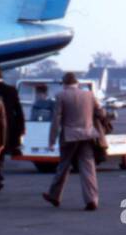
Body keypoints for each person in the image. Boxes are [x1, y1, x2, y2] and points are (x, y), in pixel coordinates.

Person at [43, 72, 103, 210]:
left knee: (63, 166)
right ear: (77, 83)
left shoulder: (61, 96)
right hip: (88, 135)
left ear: (64, 84)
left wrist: (51, 140)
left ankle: (54, 195)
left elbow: (56, 120)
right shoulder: (89, 95)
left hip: (69, 136)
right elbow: (100, 113)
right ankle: (92, 199)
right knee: (88, 168)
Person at [0, 66, 25, 196]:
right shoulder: (11, 90)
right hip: (8, 128)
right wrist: (21, 129)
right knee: (0, 154)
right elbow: (18, 111)